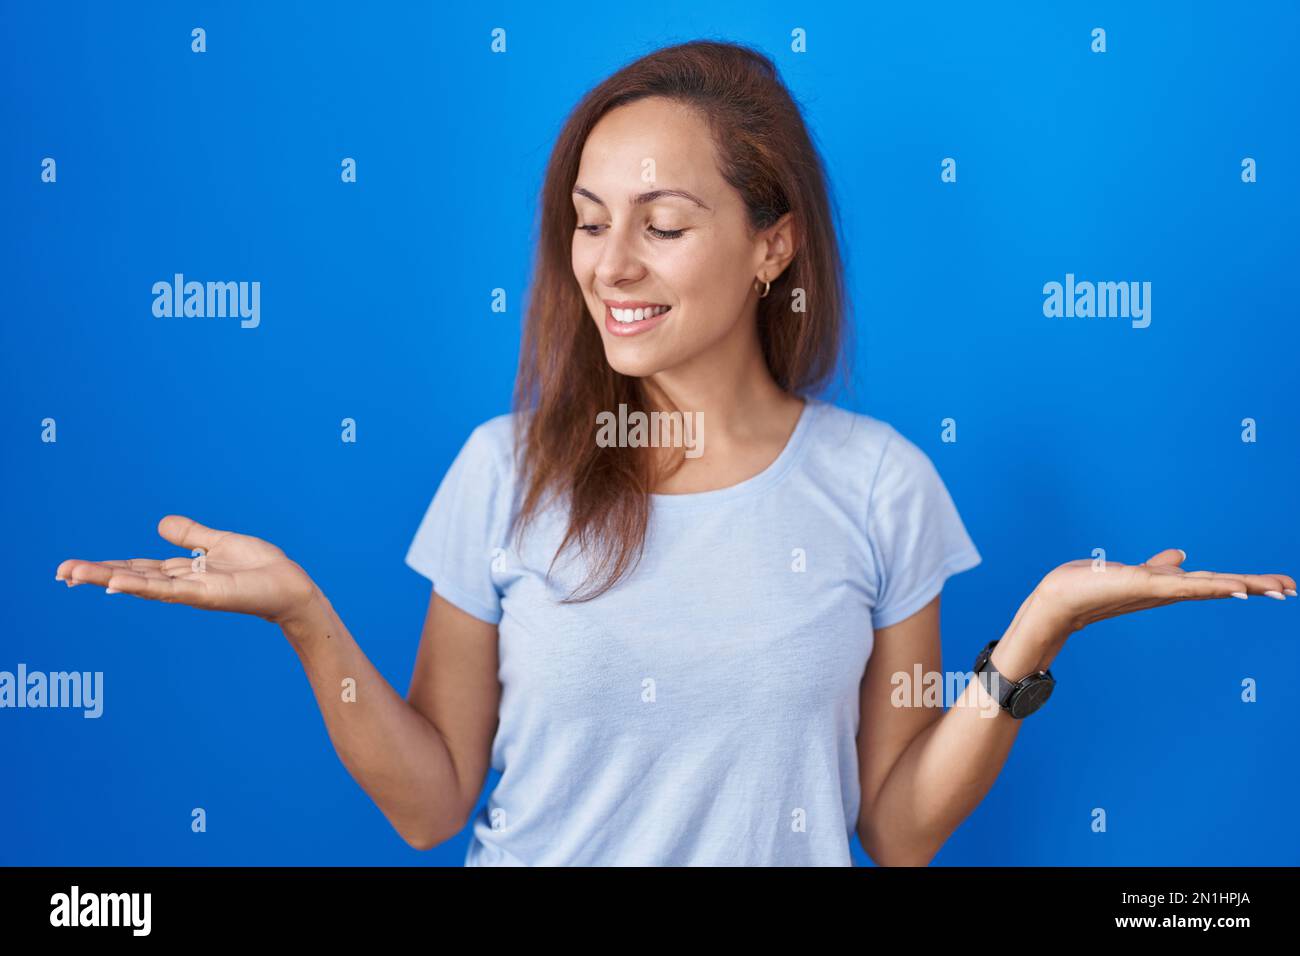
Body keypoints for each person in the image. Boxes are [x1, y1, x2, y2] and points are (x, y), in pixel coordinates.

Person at [56, 40, 1295, 866]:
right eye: (589, 223)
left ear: (772, 246)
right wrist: (307, 621)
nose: (611, 265)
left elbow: (898, 825)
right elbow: (430, 804)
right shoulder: (507, 467)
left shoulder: (880, 483)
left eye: (663, 223)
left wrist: (1031, 639)